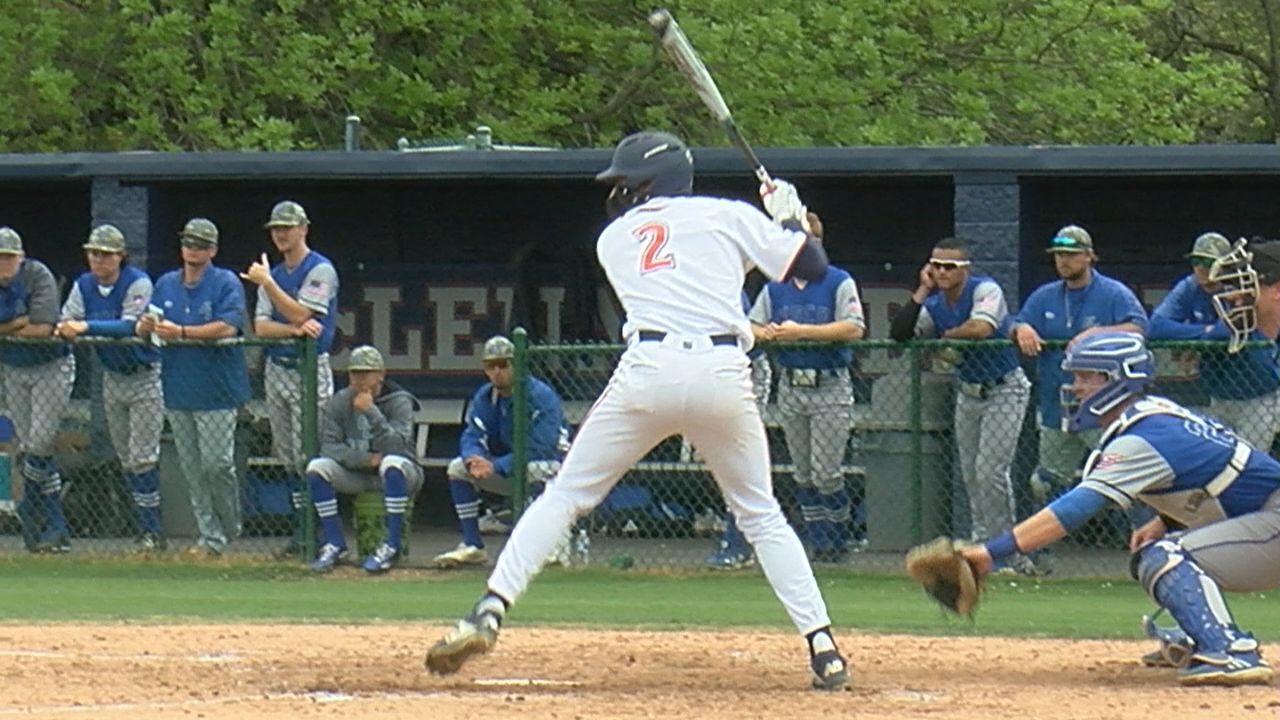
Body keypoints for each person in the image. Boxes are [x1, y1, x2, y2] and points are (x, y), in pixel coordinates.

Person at [425, 130, 851, 691]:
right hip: (722, 373)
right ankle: (823, 645)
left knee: (568, 493)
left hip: (648, 370)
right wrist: (788, 218)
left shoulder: (615, 237)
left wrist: (774, 226)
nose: (622, 192)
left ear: (654, 182)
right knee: (760, 513)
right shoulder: (727, 213)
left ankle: (490, 606)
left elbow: (687, 261)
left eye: (630, 181)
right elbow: (813, 266)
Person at [958, 331, 1275, 686]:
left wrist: (991, 553)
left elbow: (1073, 509)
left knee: (1165, 555)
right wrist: (1163, 519)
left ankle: (1230, 651)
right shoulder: (1157, 414)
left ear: (1115, 381)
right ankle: (1203, 637)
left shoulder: (1142, 436)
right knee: (1156, 549)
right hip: (1265, 518)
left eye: (1084, 377)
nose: (1075, 387)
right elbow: (1215, 477)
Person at [890, 238, 1032, 557]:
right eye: (936, 265)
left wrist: (944, 338)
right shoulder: (935, 303)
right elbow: (900, 333)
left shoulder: (985, 289)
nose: (941, 272)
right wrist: (922, 291)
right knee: (970, 471)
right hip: (968, 392)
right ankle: (983, 543)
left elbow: (981, 327)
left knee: (990, 470)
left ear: (964, 270)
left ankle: (1003, 548)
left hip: (1004, 387)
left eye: (949, 267)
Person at [747, 211, 865, 563]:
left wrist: (802, 332)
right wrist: (766, 333)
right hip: (792, 384)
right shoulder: (774, 286)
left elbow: (854, 327)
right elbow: (750, 325)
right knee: (803, 471)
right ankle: (818, 543)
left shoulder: (838, 280)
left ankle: (837, 541)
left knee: (826, 471)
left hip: (828, 383)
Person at [1010, 225, 1147, 507]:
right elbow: (1015, 322)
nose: (1063, 260)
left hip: (1102, 406)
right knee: (1044, 483)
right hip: (1055, 403)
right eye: (1059, 254)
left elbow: (1139, 327)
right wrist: (1021, 328)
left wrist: (1095, 334)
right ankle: (1042, 549)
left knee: (1122, 479)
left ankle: (1139, 541)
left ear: (1089, 256)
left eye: (1071, 254)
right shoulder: (1045, 295)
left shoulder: (1112, 292)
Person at [138, 218, 250, 557]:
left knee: (217, 464)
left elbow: (228, 327)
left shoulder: (225, 281)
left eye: (200, 244)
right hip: (177, 386)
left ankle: (230, 526)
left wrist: (183, 333)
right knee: (191, 468)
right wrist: (146, 326)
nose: (193, 249)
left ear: (213, 249)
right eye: (188, 243)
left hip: (217, 390)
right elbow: (152, 325)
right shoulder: (166, 283)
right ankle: (210, 538)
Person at [56, 225, 165, 550]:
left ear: (120, 256)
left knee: (143, 456)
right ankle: (141, 526)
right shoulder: (84, 284)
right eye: (94, 253)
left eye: (106, 254)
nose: (98, 260)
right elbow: (66, 320)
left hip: (142, 373)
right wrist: (75, 326)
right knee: (126, 458)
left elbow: (130, 324)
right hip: (112, 376)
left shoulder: (137, 281)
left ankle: (153, 530)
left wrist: (87, 327)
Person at [241, 200, 339, 552]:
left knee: (309, 452)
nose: (281, 234)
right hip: (277, 369)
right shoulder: (275, 273)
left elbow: (303, 314)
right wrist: (292, 329)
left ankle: (324, 532)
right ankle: (302, 530)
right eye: (276, 229)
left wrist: (267, 283)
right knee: (287, 455)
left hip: (310, 369)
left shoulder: (320, 268)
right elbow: (262, 328)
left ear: (303, 229)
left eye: (288, 227)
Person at [431, 335, 569, 569]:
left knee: (542, 468)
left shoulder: (540, 395)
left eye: (503, 364)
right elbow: (472, 434)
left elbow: (542, 447)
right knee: (457, 468)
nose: (497, 371)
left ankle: (551, 548)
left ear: (517, 364)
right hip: (509, 468)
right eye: (490, 366)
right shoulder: (486, 396)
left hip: (554, 472)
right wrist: (474, 458)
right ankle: (473, 545)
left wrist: (497, 466)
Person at [1149, 232, 1280, 453]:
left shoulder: (1240, 287)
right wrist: (1204, 334)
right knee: (1222, 459)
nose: (1201, 268)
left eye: (1208, 261)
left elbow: (1227, 332)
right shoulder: (1189, 287)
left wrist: (1196, 341)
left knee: (1250, 459)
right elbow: (1156, 327)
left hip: (1258, 390)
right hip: (1218, 392)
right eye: (1196, 261)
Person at [306, 345, 422, 573]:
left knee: (391, 463)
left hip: (401, 474)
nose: (359, 379)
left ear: (380, 374)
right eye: (354, 373)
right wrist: (364, 459)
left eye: (365, 373)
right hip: (359, 473)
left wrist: (372, 412)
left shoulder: (399, 401)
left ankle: (392, 545)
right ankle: (335, 542)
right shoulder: (341, 400)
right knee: (317, 468)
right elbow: (329, 447)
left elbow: (398, 446)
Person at [0, 227, 76, 553]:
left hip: (50, 367)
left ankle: (30, 510)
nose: (4, 263)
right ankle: (54, 527)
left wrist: (11, 327)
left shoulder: (37, 275)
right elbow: (26, 324)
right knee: (30, 445)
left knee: (41, 442)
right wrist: (18, 322)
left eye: (8, 257)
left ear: (21, 257)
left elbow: (44, 327)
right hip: (14, 368)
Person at [703, 285, 774, 570]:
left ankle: (739, 544)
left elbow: (752, 332)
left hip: (745, 371)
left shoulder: (727, 283)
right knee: (720, 461)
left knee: (740, 458)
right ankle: (736, 540)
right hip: (704, 374)